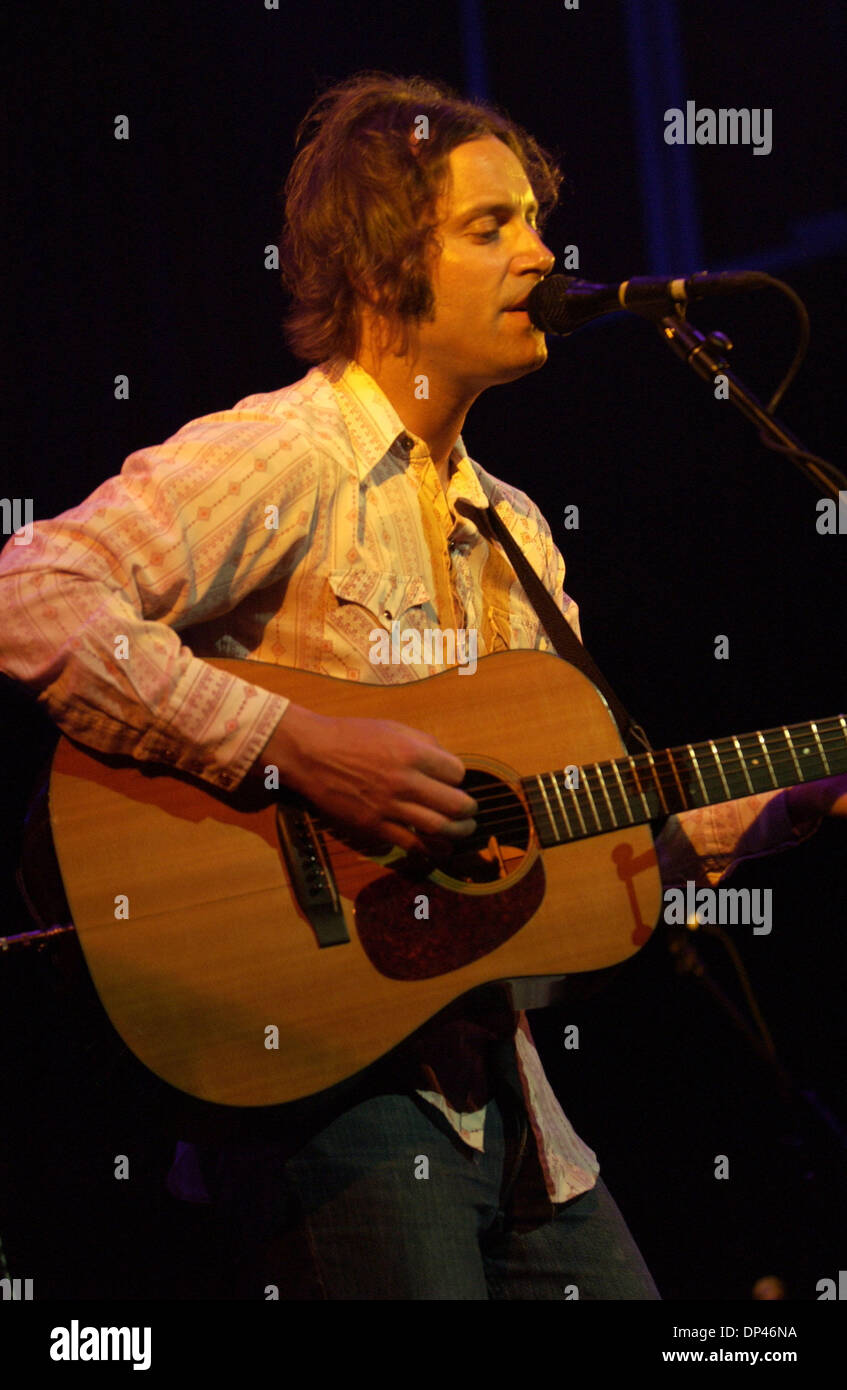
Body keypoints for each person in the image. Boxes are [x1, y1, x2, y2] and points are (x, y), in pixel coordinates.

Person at [1, 72, 844, 1301]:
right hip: (329, 1099)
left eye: (535, 224)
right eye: (491, 227)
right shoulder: (287, 454)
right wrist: (298, 747)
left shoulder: (518, 531)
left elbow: (560, 854)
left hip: (510, 1107)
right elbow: (33, 592)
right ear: (382, 265)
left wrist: (783, 808)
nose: (541, 256)